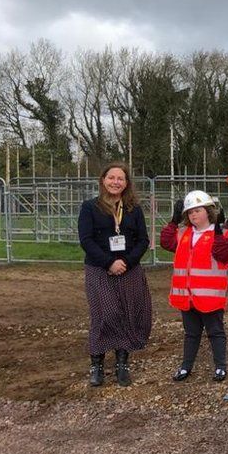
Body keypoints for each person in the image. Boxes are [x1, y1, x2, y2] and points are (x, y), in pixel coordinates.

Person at [78, 162, 153, 387]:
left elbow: (143, 240)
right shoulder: (90, 207)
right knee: (104, 314)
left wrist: (127, 262)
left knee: (126, 313)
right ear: (103, 180)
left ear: (126, 183)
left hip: (129, 270)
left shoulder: (133, 209)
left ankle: (122, 363)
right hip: (100, 269)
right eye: (111, 177)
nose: (115, 182)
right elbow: (86, 240)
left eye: (120, 179)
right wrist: (109, 263)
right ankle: (97, 363)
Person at [160, 190, 228, 382]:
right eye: (190, 212)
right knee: (191, 333)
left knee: (215, 332)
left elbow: (223, 255)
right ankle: (186, 367)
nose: (194, 215)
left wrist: (218, 231)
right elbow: (166, 242)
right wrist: (173, 221)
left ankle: (220, 366)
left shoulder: (223, 234)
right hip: (187, 296)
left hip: (210, 297)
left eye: (198, 210)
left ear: (209, 212)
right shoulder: (184, 234)